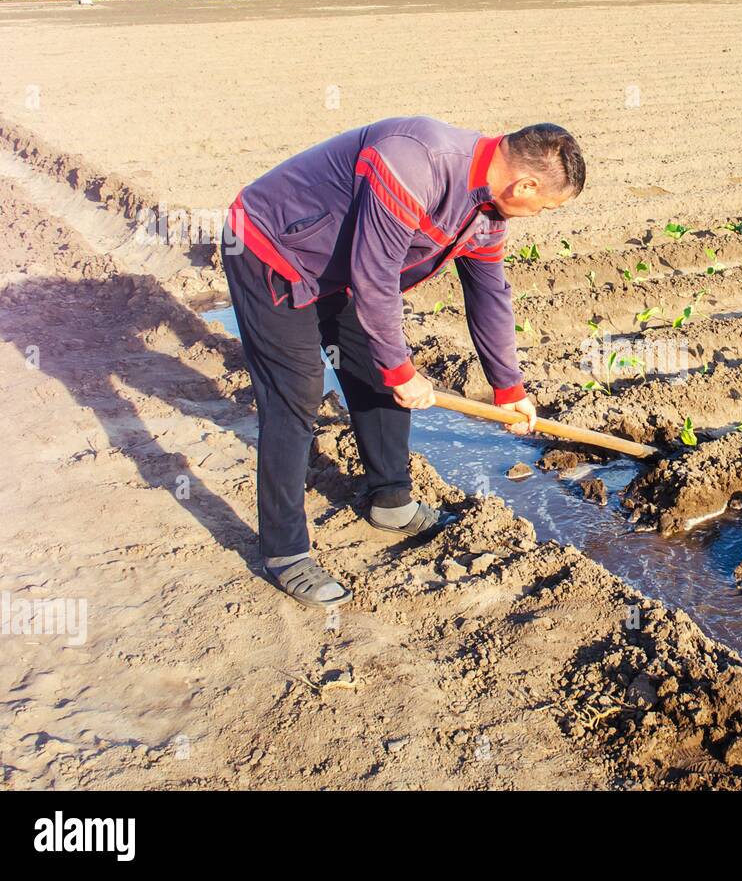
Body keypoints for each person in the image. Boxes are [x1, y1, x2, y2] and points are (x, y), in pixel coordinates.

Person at [221, 118, 585, 607]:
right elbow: (375, 276)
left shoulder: (487, 214)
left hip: (340, 263)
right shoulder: (417, 162)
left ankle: (390, 502)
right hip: (271, 246)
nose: (538, 214)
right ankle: (284, 553)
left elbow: (488, 295)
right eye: (544, 207)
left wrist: (508, 387)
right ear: (525, 184)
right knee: (297, 392)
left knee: (372, 369)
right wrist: (401, 369)